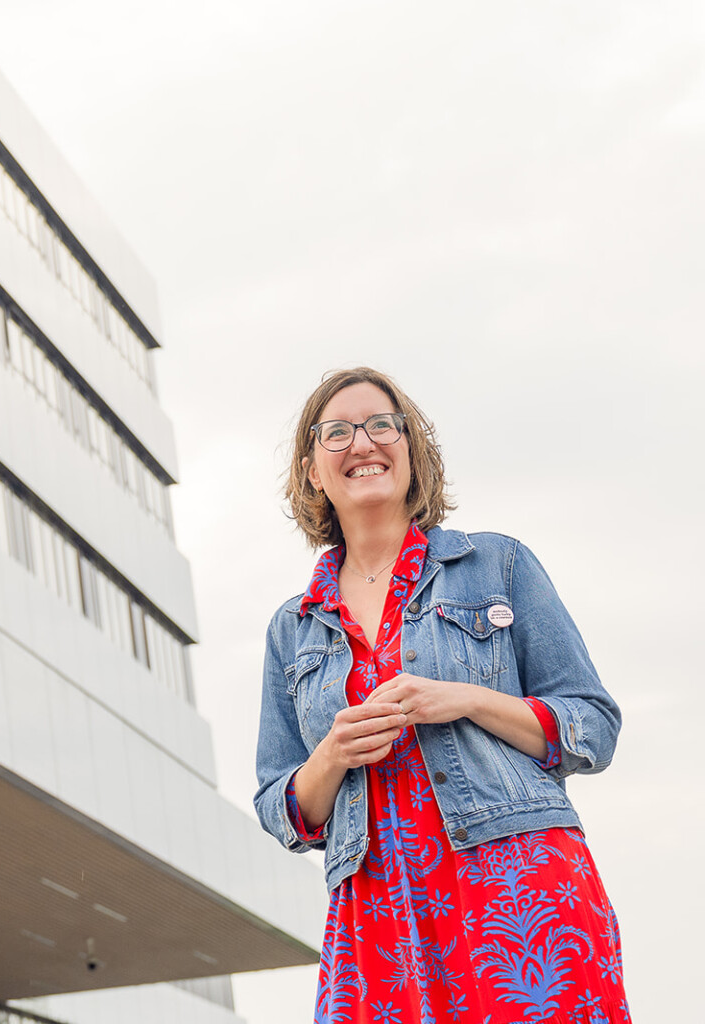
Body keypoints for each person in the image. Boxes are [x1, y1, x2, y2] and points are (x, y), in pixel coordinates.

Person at [253, 367, 628, 1024]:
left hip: (517, 887)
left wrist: (467, 700)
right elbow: (282, 808)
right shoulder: (293, 628)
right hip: (375, 914)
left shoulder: (498, 564)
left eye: (381, 426)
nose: (362, 443)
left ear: (410, 448)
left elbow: (592, 728)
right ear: (312, 470)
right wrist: (333, 755)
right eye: (336, 432)